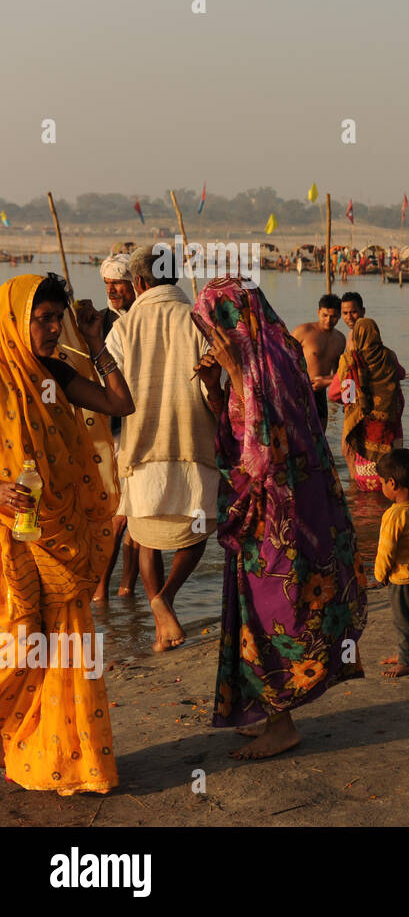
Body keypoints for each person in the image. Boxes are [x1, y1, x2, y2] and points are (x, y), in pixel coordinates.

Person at [192, 277, 367, 760]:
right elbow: (234, 430)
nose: (213, 340)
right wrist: (216, 387)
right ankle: (263, 710)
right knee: (253, 606)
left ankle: (282, 722)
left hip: (280, 514)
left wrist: (232, 370)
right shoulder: (263, 357)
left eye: (214, 328)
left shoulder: (269, 361)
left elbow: (263, 451)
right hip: (273, 510)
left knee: (273, 608)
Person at [0, 273, 134, 794]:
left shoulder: (53, 371)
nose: (54, 328)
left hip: (59, 528)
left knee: (64, 644)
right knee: (18, 642)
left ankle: (65, 757)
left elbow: (119, 406)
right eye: (44, 319)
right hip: (10, 535)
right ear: (16, 320)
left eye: (59, 318)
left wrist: (97, 344)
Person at [105, 246, 219, 653]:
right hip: (194, 440)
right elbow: (214, 384)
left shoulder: (124, 326)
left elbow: (110, 389)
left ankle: (159, 615)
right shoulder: (198, 320)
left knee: (144, 534)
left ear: (139, 283)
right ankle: (164, 599)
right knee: (200, 527)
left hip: (139, 443)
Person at [93, 252, 139, 602]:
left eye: (118, 283)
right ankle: (102, 592)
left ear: (136, 283)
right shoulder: (100, 326)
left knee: (136, 517)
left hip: (143, 425)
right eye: (108, 284)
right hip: (114, 431)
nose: (112, 290)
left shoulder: (145, 318)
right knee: (118, 515)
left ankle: (125, 590)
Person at [330, 317, 405, 491]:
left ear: (355, 337)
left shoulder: (350, 361)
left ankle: (365, 517)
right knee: (390, 480)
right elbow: (401, 373)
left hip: (360, 427)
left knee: (360, 489)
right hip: (389, 427)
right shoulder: (389, 356)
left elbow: (334, 394)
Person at [374, 449, 409, 678]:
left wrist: (379, 575)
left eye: (382, 483)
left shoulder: (393, 515)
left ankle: (406, 661)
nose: (381, 487)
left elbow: (386, 550)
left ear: (393, 483)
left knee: (402, 620)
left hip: (401, 577)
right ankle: (408, 653)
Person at [291, 294, 346, 426]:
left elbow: (340, 373)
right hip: (298, 389)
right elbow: (282, 357)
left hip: (320, 392)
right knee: (296, 434)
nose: (328, 320)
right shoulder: (303, 331)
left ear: (339, 316)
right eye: (325, 315)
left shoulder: (340, 339)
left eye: (333, 316)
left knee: (320, 434)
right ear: (318, 312)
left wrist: (344, 400)